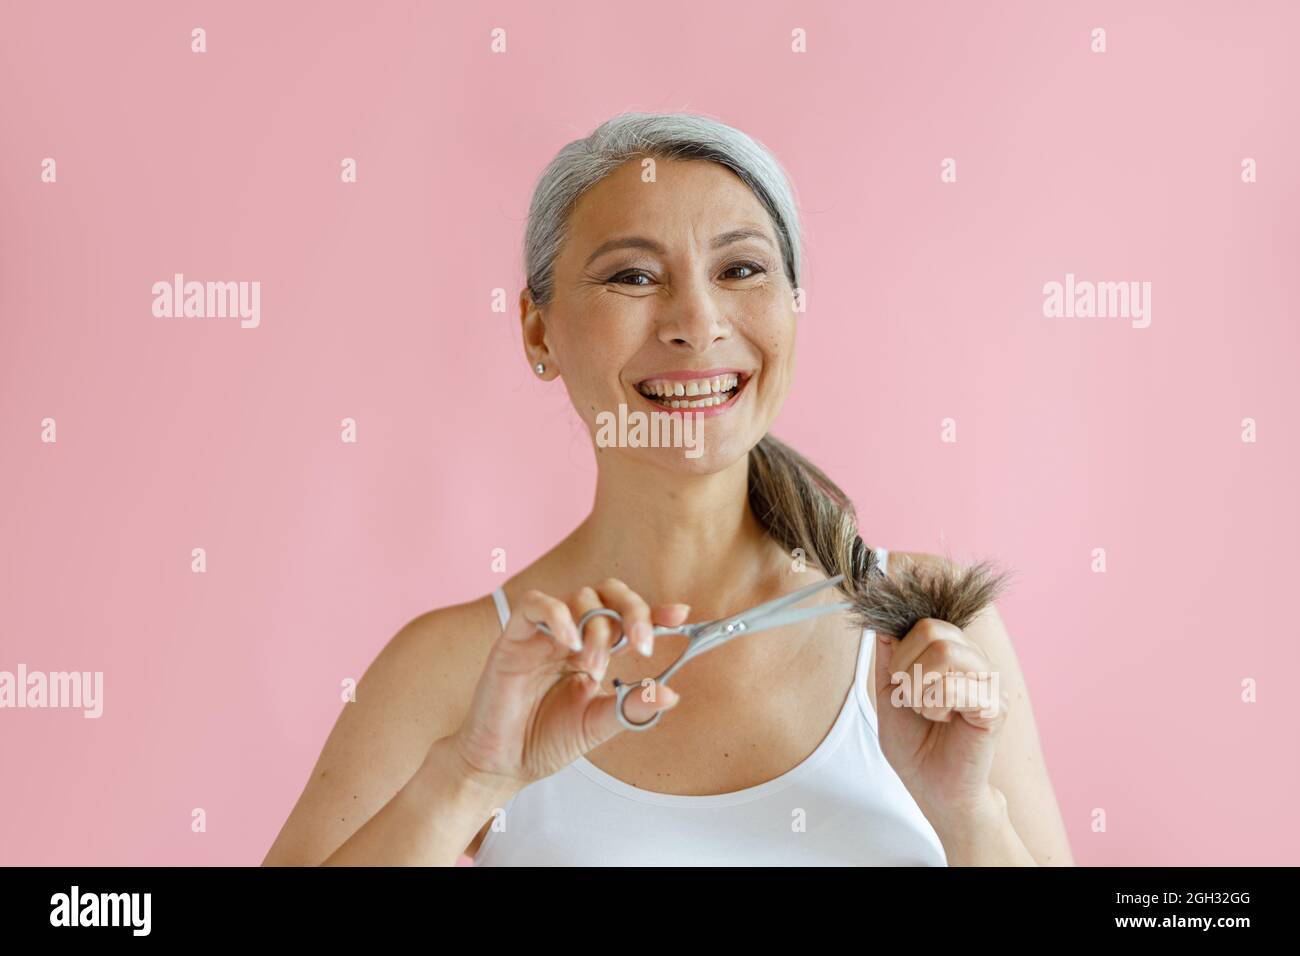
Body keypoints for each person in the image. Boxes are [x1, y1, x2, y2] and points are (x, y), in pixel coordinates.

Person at [263, 112, 1074, 866]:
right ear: (538, 330)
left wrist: (970, 814)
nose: (696, 319)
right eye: (633, 277)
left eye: (742, 268)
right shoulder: (455, 666)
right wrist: (468, 778)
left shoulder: (930, 627)